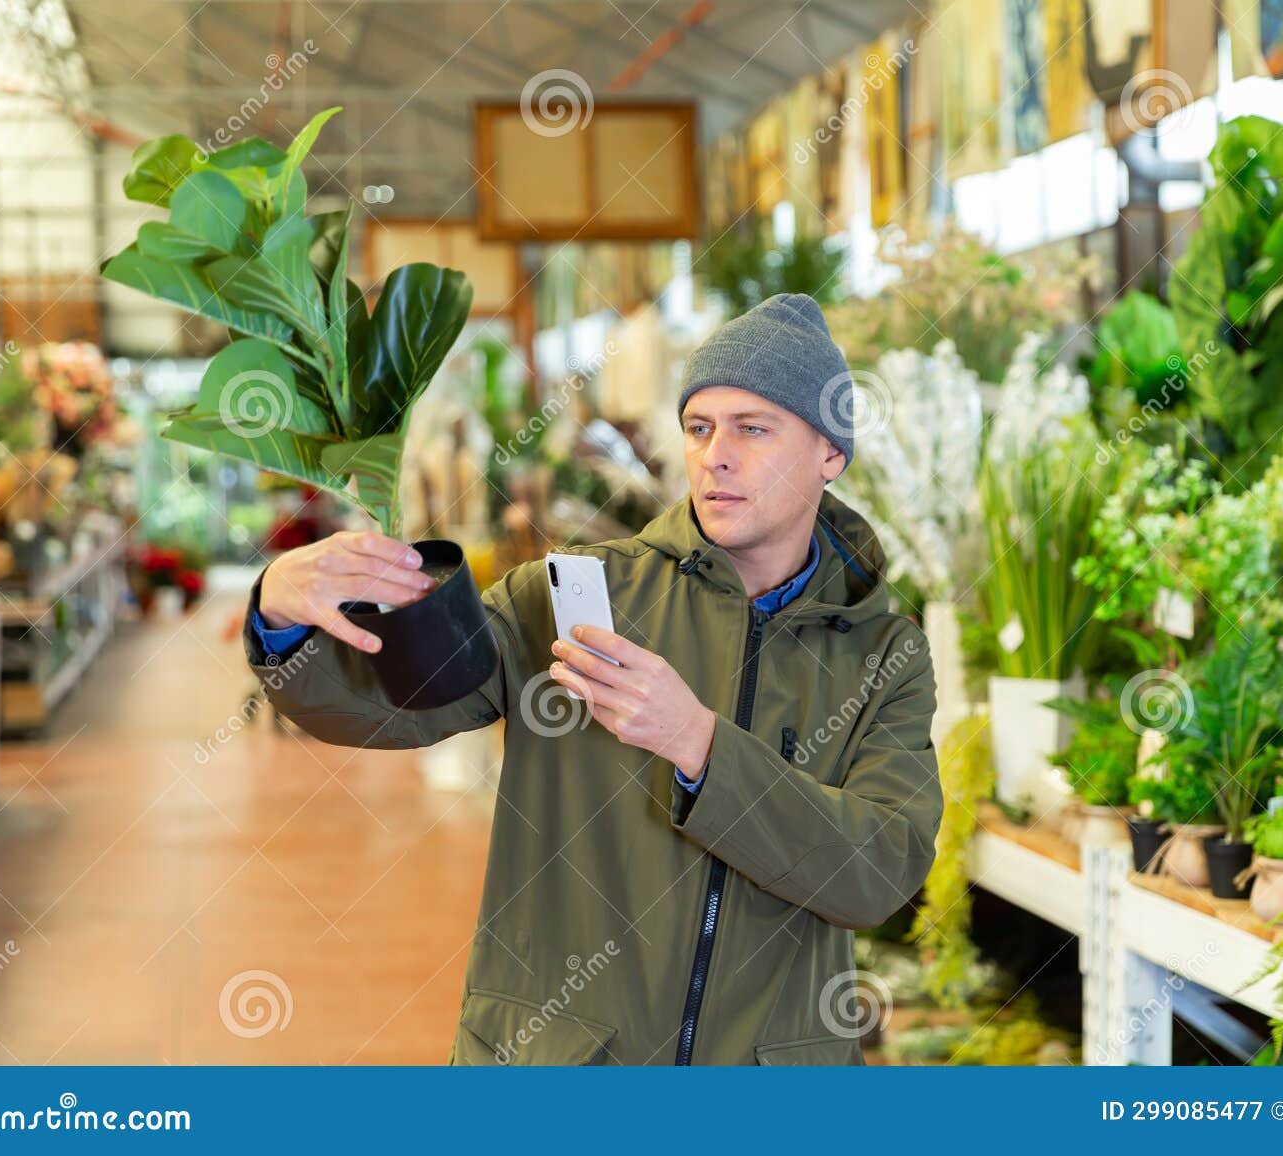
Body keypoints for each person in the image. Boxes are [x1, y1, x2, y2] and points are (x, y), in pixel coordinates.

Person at [242, 293, 942, 1065]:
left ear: (830, 454)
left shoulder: (885, 654)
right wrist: (285, 618)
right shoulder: (574, 599)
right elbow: (392, 710)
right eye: (700, 428)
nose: (716, 456)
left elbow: (879, 871)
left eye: (754, 428)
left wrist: (699, 744)